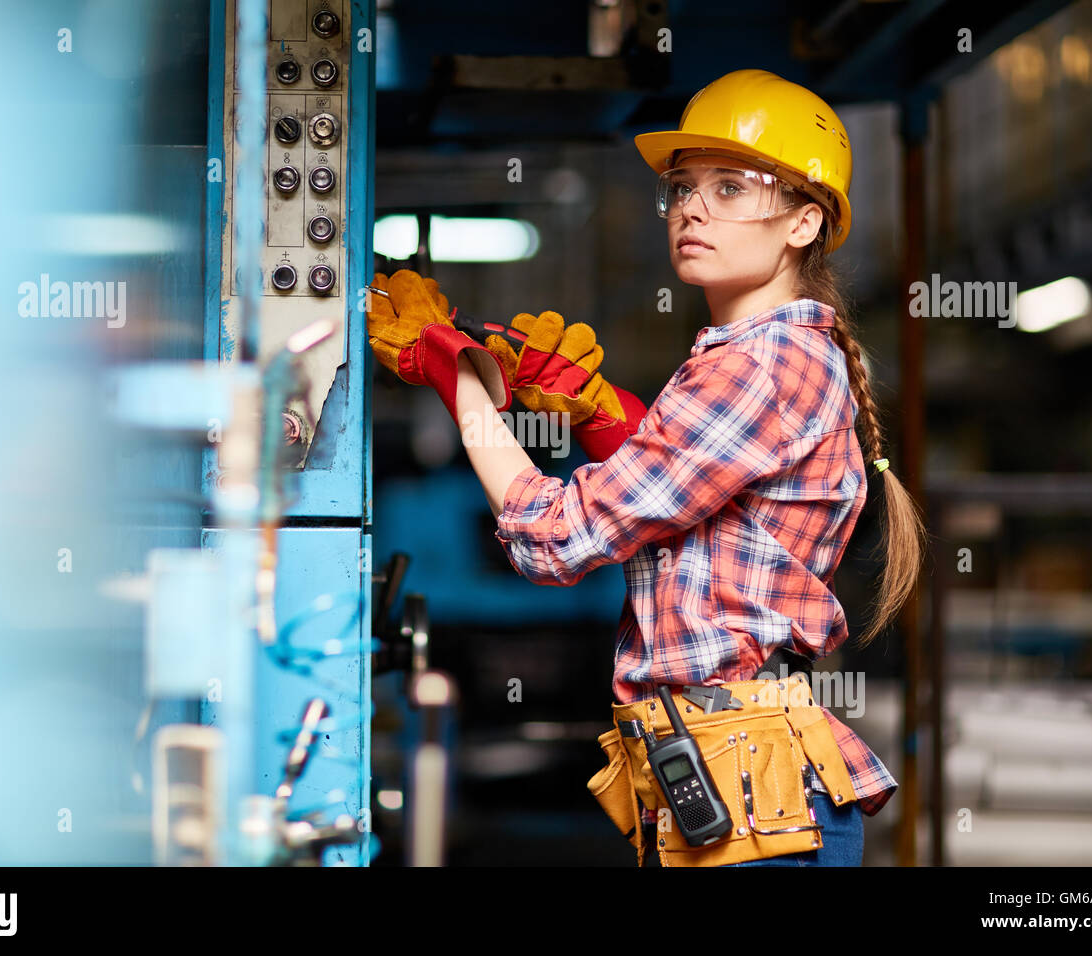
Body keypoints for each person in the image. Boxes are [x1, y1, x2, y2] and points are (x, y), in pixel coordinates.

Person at [366, 69, 927, 866]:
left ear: (805, 221)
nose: (693, 207)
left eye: (732, 187)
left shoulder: (758, 367)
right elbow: (691, 497)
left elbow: (557, 540)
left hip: (753, 805)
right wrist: (593, 406)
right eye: (684, 187)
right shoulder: (758, 359)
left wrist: (460, 385)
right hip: (728, 783)